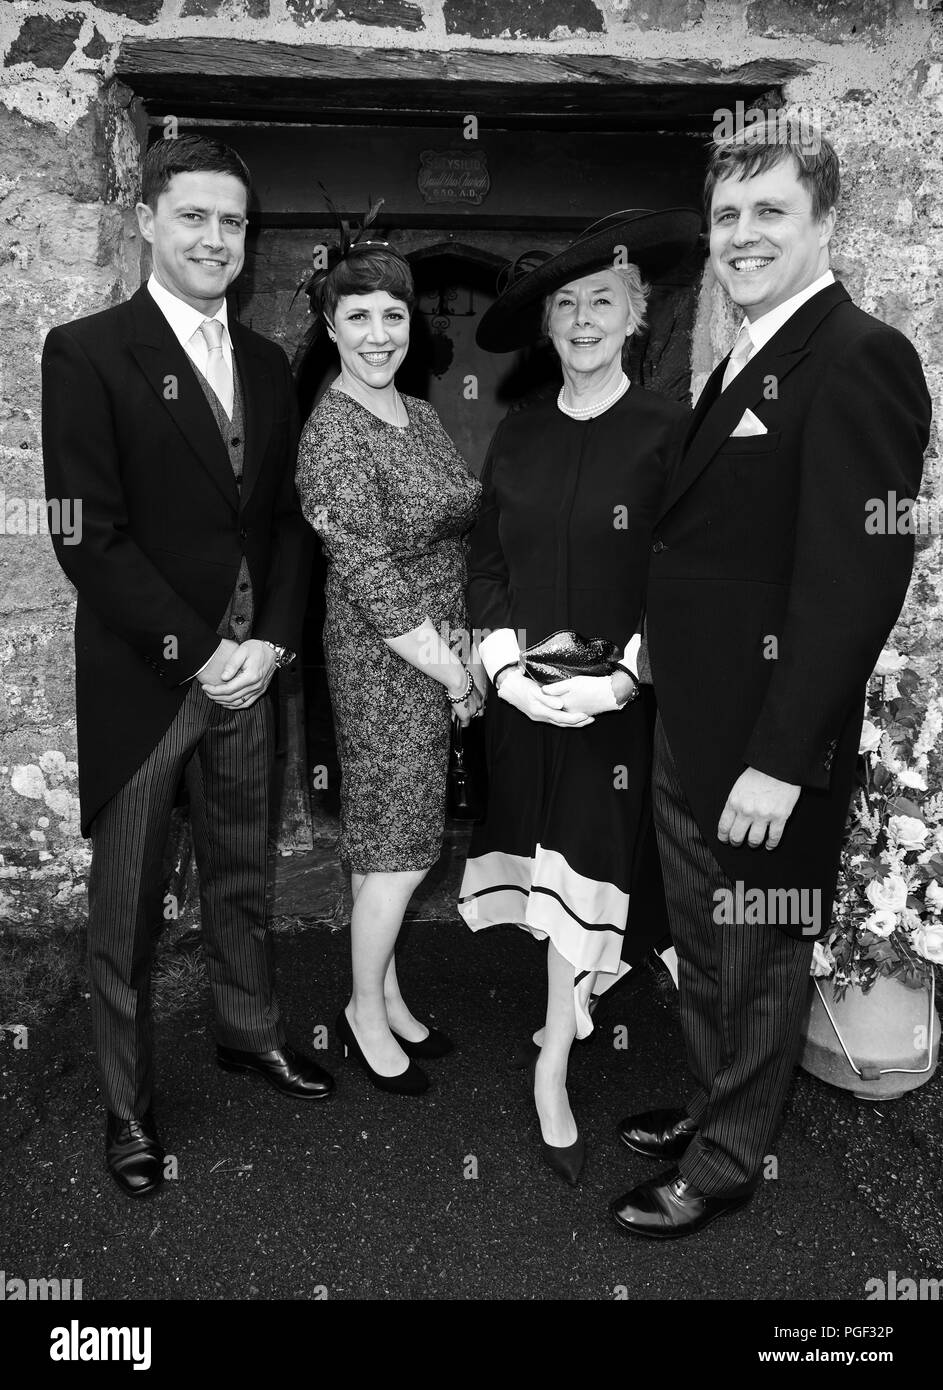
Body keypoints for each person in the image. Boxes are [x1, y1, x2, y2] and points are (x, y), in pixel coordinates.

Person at [610, 125, 932, 1239]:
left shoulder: (857, 357)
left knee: (753, 949)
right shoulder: (746, 349)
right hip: (689, 716)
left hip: (761, 739)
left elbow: (849, 584)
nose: (741, 237)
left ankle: (729, 1159)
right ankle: (711, 1107)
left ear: (824, 225)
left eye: (768, 215)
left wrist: (780, 762)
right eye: (728, 217)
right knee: (704, 942)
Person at [41, 135, 334, 1202]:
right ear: (149, 222)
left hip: (250, 674)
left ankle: (247, 1031)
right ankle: (126, 1106)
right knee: (122, 908)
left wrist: (268, 644)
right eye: (196, 217)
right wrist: (200, 651)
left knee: (242, 871)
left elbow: (288, 523)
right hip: (147, 679)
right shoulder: (85, 351)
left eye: (233, 223)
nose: (216, 238)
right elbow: (89, 537)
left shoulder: (265, 360)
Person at [457, 210, 702, 1184]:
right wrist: (508, 669)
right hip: (526, 709)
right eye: (567, 305)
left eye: (603, 299)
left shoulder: (669, 431)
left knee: (591, 871)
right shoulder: (517, 434)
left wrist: (628, 673)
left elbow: (691, 573)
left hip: (623, 708)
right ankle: (567, 1015)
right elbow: (483, 563)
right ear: (548, 326)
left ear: (634, 313)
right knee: (550, 877)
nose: (585, 318)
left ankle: (553, 1062)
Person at [296, 237, 483, 1097]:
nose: (378, 333)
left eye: (393, 316)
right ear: (329, 328)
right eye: (358, 317)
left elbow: (455, 519)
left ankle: (388, 994)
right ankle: (363, 1015)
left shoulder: (420, 411)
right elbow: (365, 571)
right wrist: (451, 671)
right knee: (403, 851)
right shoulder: (332, 433)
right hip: (387, 654)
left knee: (390, 841)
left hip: (434, 643)